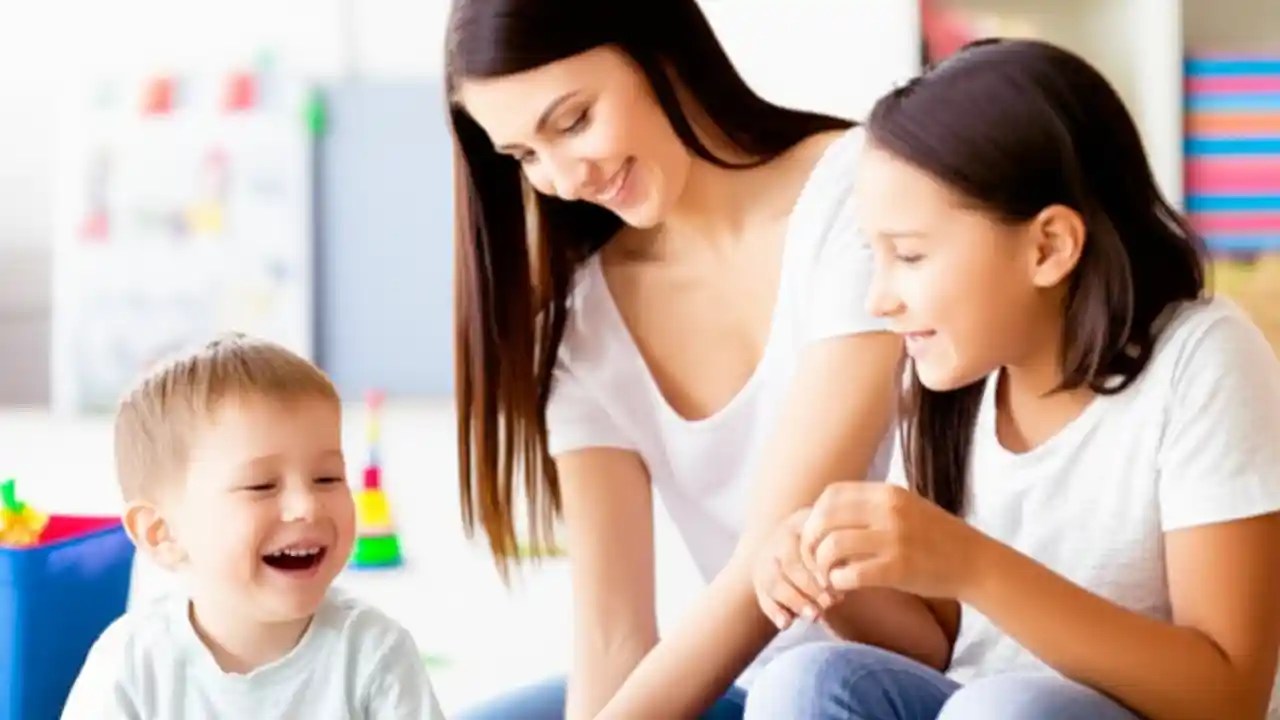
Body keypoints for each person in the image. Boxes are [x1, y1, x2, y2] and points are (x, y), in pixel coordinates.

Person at [746, 38, 1280, 720]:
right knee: (803, 680)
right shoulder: (956, 376)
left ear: (1049, 246)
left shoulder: (1202, 360)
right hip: (977, 704)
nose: (879, 297)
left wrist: (972, 564)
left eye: (909, 255)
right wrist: (836, 580)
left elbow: (1228, 695)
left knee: (1001, 711)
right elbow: (941, 646)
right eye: (874, 256)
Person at [445, 1, 927, 717]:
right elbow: (613, 637)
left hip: (904, 672)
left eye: (573, 122)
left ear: (656, 48)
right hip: (757, 683)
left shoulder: (859, 196)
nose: (565, 179)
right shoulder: (583, 327)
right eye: (524, 157)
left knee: (805, 688)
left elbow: (771, 549)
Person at [61, 334, 444, 719]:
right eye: (262, 485)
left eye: (327, 478)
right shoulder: (130, 665)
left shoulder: (373, 653)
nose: (306, 507)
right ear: (161, 533)